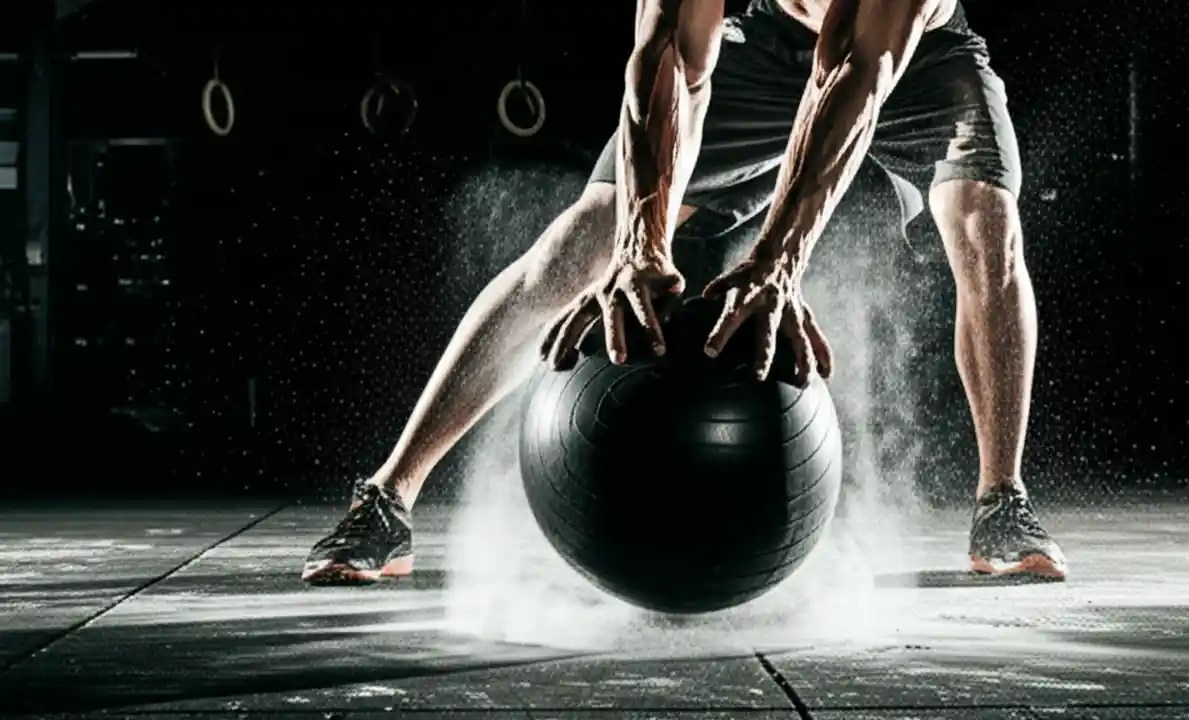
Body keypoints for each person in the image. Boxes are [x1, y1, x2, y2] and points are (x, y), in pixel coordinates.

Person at [301, 0, 1068, 585]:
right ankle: (387, 497)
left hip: (922, 59)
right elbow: (668, 53)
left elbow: (854, 74)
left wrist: (779, 261)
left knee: (985, 223)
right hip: (767, 51)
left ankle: (1002, 499)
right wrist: (642, 242)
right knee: (579, 247)